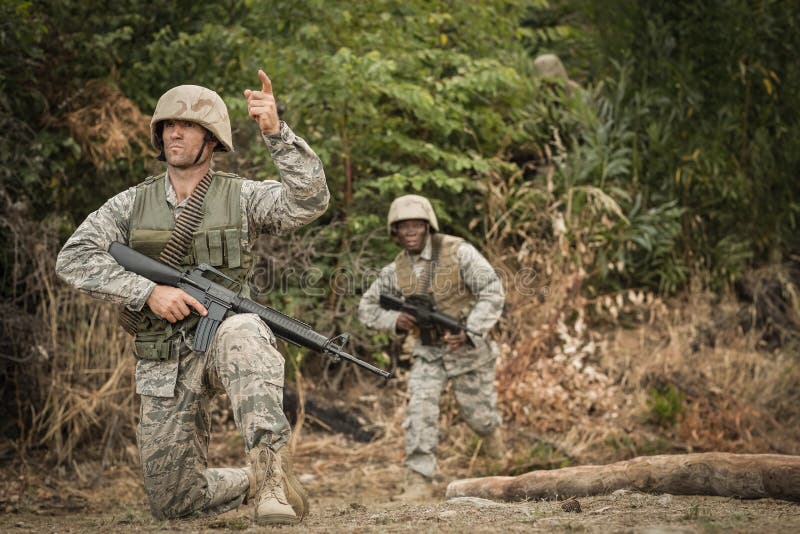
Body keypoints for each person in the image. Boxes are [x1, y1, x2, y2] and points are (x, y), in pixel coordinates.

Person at [55, 70, 329, 524]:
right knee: (173, 504)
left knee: (244, 329)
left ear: (213, 140)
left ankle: (271, 481)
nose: (174, 132)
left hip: (225, 339)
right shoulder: (129, 205)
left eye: (187, 125)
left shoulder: (241, 197)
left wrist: (277, 134)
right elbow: (73, 257)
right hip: (163, 357)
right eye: (167, 125)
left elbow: (309, 202)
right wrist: (147, 292)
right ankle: (243, 481)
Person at [358, 194, 505, 500]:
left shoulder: (458, 252)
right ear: (394, 232)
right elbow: (367, 308)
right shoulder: (395, 270)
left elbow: (492, 290)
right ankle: (418, 481)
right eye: (403, 226)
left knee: (481, 417)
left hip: (468, 351)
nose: (410, 231)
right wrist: (395, 320)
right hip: (427, 353)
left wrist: (470, 331)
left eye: (416, 225)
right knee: (420, 412)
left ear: (427, 227)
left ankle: (499, 463)